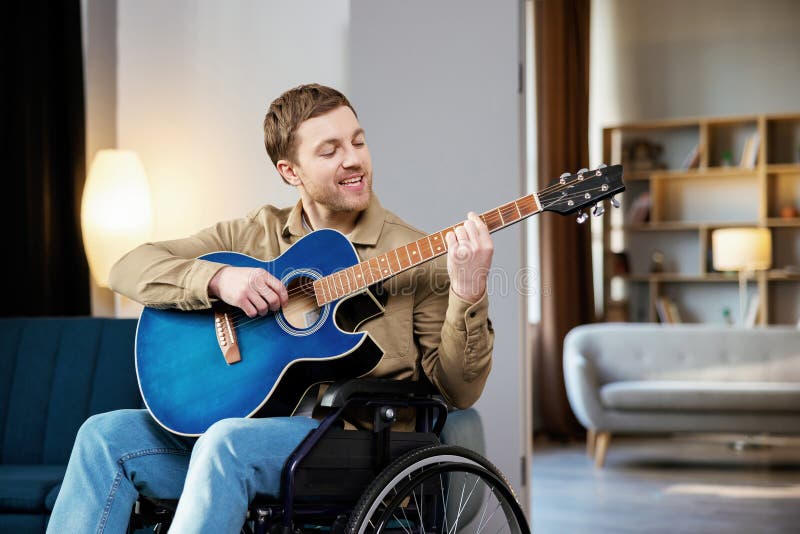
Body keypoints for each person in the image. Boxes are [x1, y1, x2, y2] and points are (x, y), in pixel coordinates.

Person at [48, 83, 494, 533]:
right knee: (103, 437)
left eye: (358, 141)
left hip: (354, 444)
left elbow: (459, 391)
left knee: (225, 442)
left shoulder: (419, 251)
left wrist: (469, 291)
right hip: (246, 438)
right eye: (330, 150)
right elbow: (128, 267)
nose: (354, 158)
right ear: (290, 171)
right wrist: (218, 279)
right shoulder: (256, 234)